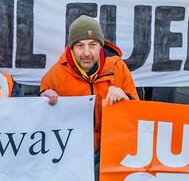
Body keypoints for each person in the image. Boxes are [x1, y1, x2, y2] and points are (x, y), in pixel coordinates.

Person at [39, 14, 137, 151]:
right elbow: (41, 123)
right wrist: (44, 100)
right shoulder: (54, 76)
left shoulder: (118, 67)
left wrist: (126, 99)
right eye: (80, 46)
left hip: (112, 150)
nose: (86, 53)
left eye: (92, 45)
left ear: (100, 46)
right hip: (72, 153)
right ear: (71, 48)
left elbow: (137, 113)